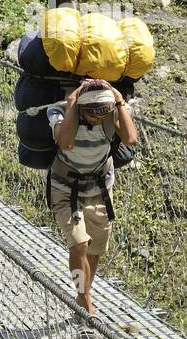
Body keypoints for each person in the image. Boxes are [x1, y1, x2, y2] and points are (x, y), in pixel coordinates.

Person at [47, 78, 137, 317]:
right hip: (66, 188)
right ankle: (85, 299)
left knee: (94, 250)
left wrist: (118, 102)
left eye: (102, 112)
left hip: (99, 189)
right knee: (79, 244)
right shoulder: (58, 111)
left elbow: (130, 139)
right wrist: (73, 104)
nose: (98, 117)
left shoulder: (111, 112)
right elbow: (65, 143)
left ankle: (82, 292)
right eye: (92, 112)